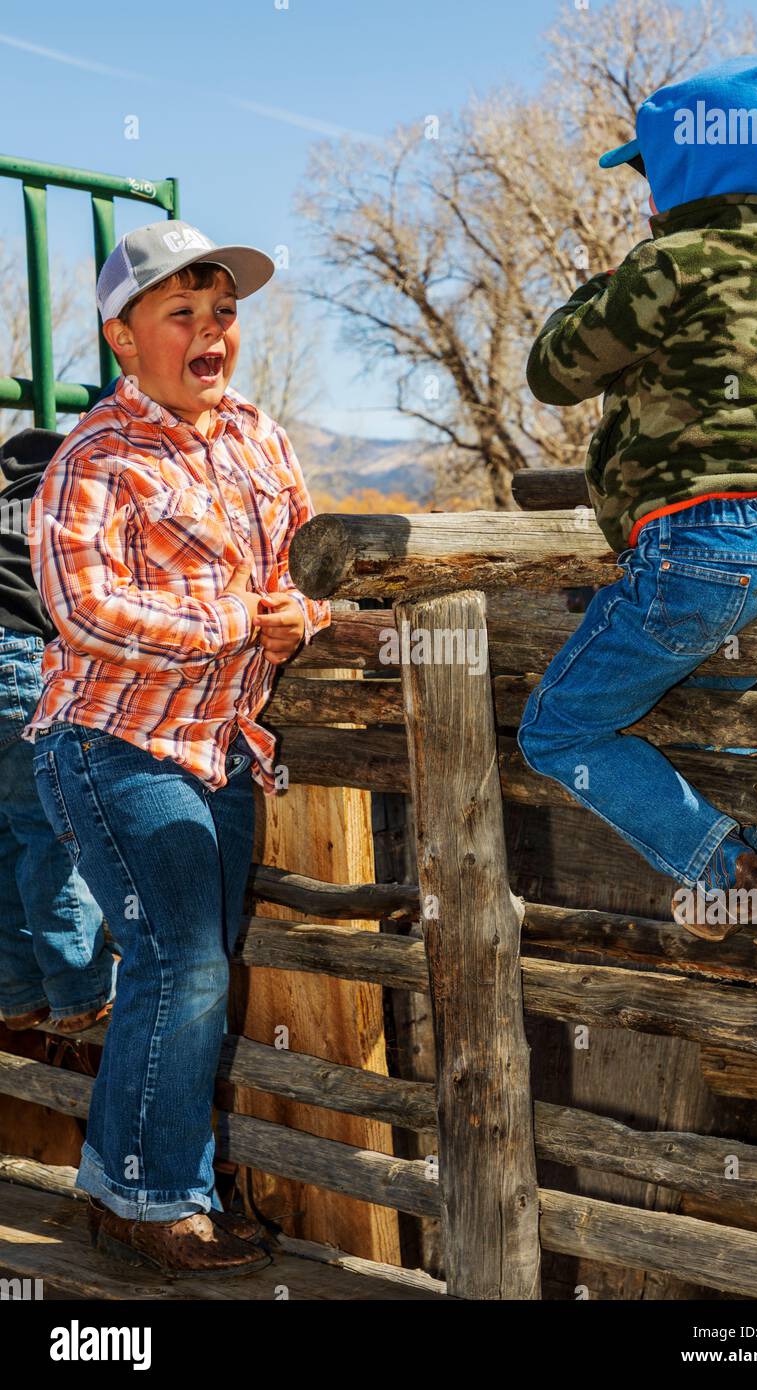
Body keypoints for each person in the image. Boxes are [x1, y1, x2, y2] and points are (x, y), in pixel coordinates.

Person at [21, 218, 331, 1276]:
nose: (211, 332)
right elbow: (84, 610)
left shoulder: (258, 436)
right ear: (122, 338)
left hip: (222, 746)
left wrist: (314, 618)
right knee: (179, 958)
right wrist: (242, 623)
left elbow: (301, 571)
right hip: (113, 741)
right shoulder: (93, 458)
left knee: (191, 962)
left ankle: (149, 1183)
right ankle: (150, 1199)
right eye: (181, 313)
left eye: (224, 312)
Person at [517, 55, 757, 941]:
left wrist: (613, 274)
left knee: (556, 731)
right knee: (718, 718)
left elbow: (552, 370)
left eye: (650, 176)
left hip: (692, 552)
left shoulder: (666, 268)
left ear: (681, 176)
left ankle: (726, 867)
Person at [0, 429, 116, 1032]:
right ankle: (78, 988)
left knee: (4, 834)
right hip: (16, 660)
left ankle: (18, 991)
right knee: (48, 828)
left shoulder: (5, 515)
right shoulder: (65, 508)